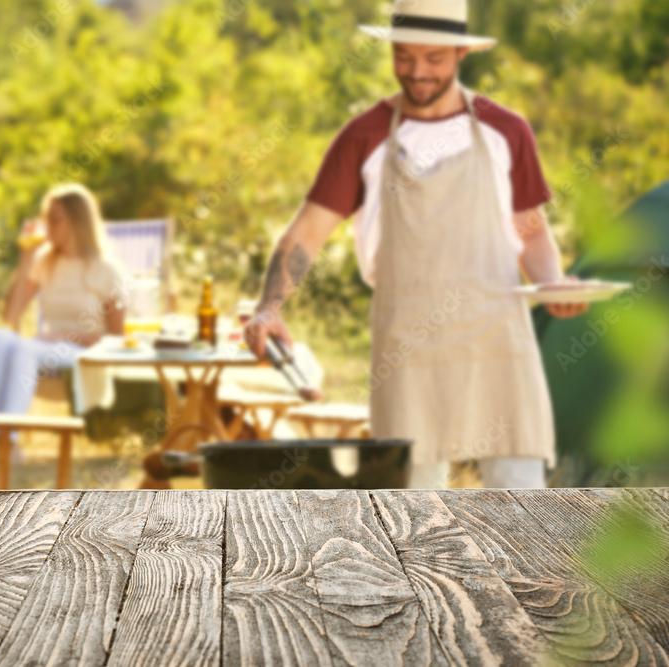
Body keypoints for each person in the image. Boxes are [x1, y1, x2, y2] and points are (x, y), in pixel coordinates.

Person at [244, 0, 588, 490]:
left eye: (434, 59)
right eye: (404, 56)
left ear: (461, 54)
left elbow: (530, 233)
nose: (417, 72)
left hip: (496, 341)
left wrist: (553, 285)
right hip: (407, 349)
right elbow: (306, 233)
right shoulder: (363, 136)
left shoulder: (505, 130)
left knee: (520, 501)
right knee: (410, 507)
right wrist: (269, 305)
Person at [0, 183, 127, 469]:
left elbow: (117, 339)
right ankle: (5, 440)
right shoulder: (44, 261)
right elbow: (11, 315)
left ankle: (4, 443)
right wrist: (26, 258)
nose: (47, 226)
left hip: (85, 355)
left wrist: (67, 335)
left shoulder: (106, 270)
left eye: (55, 219)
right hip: (48, 349)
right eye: (46, 218)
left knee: (27, 349)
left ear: (77, 222)